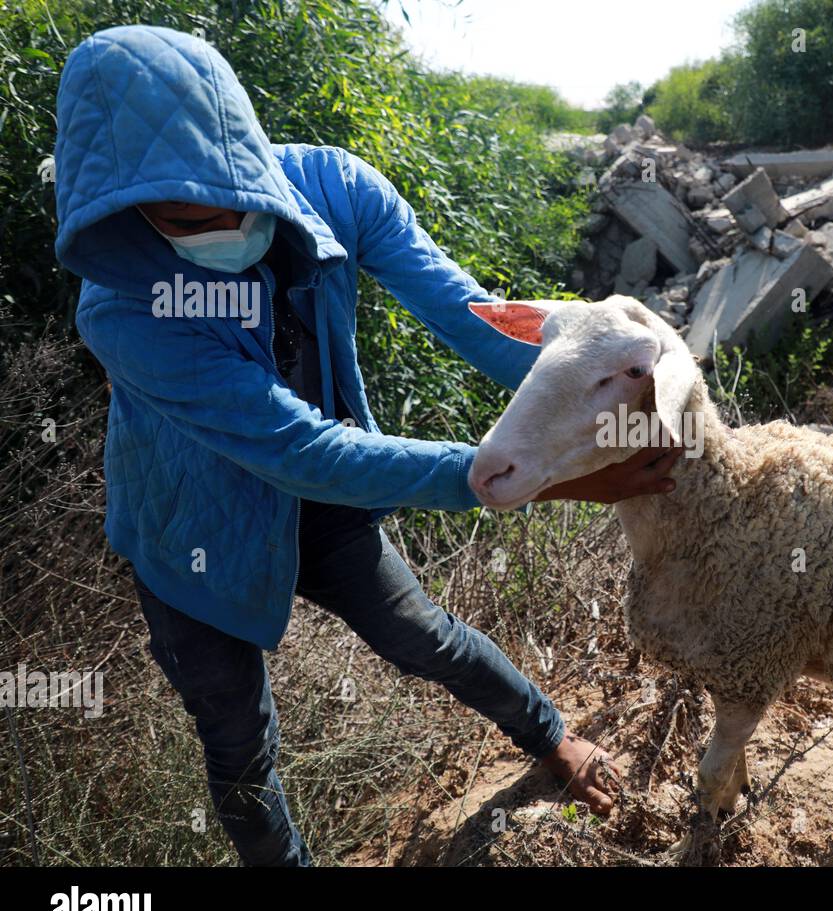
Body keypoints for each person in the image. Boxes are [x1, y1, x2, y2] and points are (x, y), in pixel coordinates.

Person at [53, 24, 681, 866]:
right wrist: (542, 483)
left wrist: (614, 370)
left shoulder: (338, 189)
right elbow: (300, 450)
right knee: (239, 749)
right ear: (126, 210)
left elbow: (476, 322)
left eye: (227, 198)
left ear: (243, 143)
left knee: (425, 637)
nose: (215, 227)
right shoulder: (122, 306)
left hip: (330, 509)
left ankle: (550, 737)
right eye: (177, 219)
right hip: (193, 533)